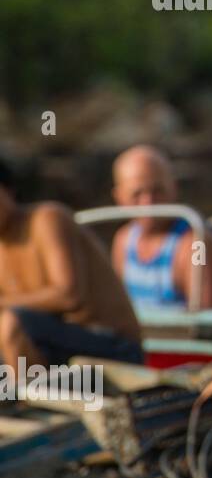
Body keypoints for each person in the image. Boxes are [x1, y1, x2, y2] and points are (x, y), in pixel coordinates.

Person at [0, 156, 144, 368]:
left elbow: (69, 297)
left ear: (8, 190)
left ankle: (21, 400)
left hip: (115, 347)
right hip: (56, 348)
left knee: (13, 322)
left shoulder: (47, 219)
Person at [110, 145, 212, 310]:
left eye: (157, 191)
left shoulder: (196, 244)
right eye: (137, 194)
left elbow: (206, 320)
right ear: (119, 197)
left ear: (174, 188)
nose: (148, 203)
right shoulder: (123, 240)